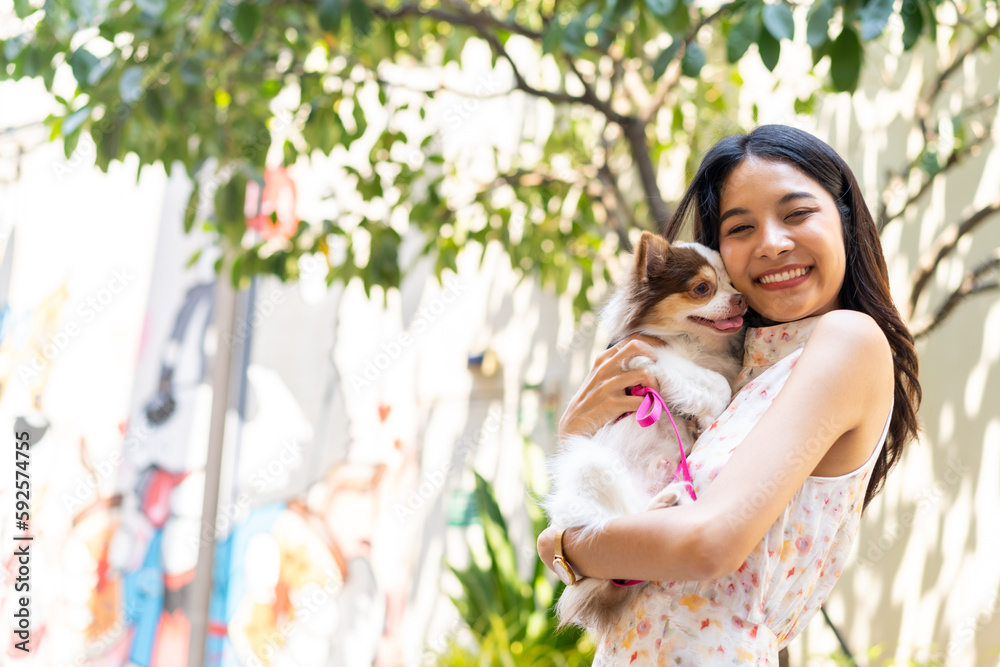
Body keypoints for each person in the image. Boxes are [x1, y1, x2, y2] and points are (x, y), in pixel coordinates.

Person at [536, 124, 921, 665]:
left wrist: (562, 547)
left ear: (846, 220)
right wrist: (576, 435)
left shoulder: (847, 341)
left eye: (796, 213)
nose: (770, 243)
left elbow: (707, 544)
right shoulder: (748, 370)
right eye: (740, 227)